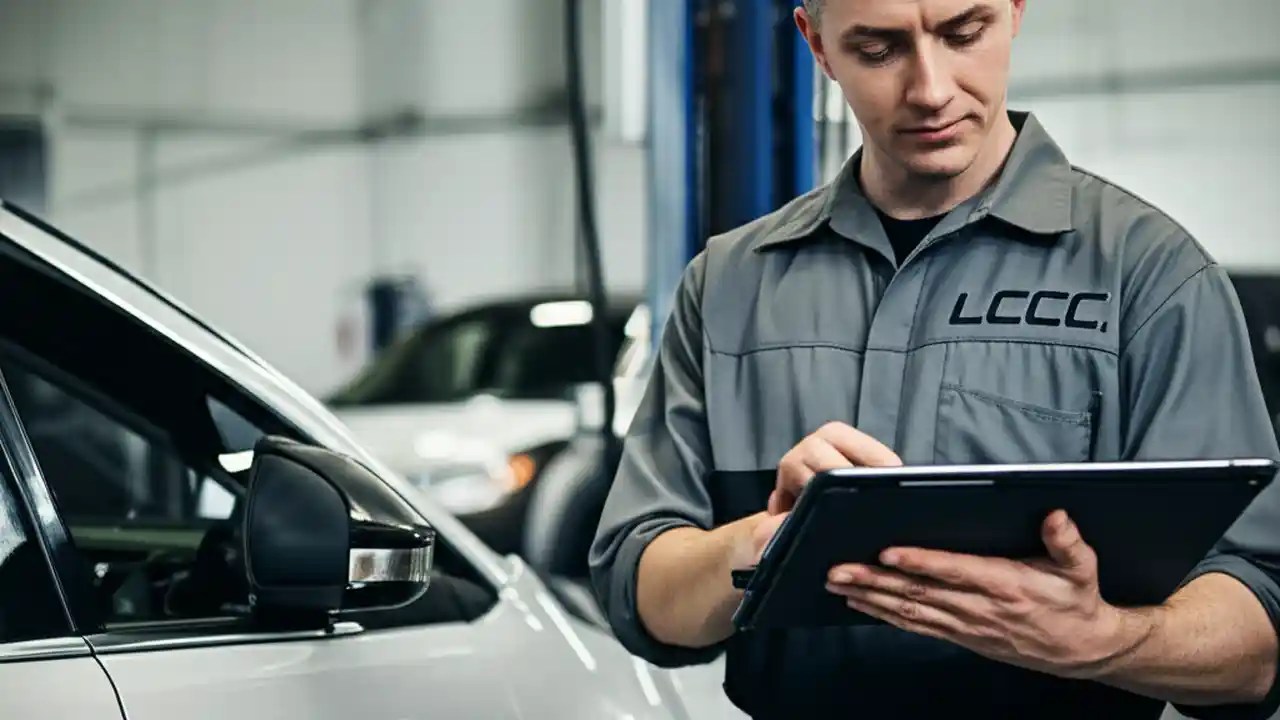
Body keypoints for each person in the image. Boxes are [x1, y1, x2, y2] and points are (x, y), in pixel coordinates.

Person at [588, 0, 1280, 717]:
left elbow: (1260, 627)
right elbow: (638, 589)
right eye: (879, 48)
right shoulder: (730, 285)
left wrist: (1104, 640)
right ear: (818, 46)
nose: (931, 89)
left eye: (962, 32)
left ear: (1014, 11)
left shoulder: (1150, 277)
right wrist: (767, 543)